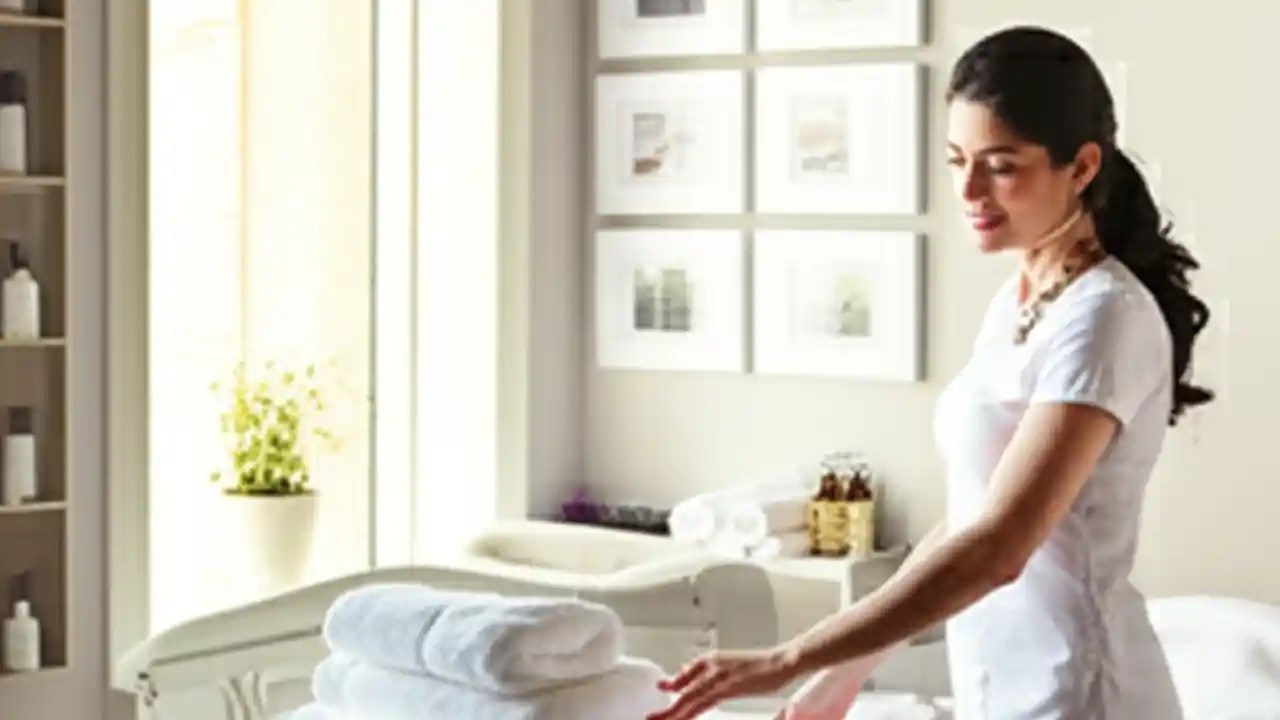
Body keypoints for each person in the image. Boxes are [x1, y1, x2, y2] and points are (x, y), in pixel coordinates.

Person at [646, 25, 1212, 720]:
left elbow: (999, 545)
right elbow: (970, 517)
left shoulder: (1106, 320)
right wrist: (838, 678)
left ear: (1083, 166)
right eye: (956, 160)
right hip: (997, 687)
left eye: (1000, 166)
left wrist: (790, 657)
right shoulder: (1018, 302)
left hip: (1081, 695)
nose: (969, 189)